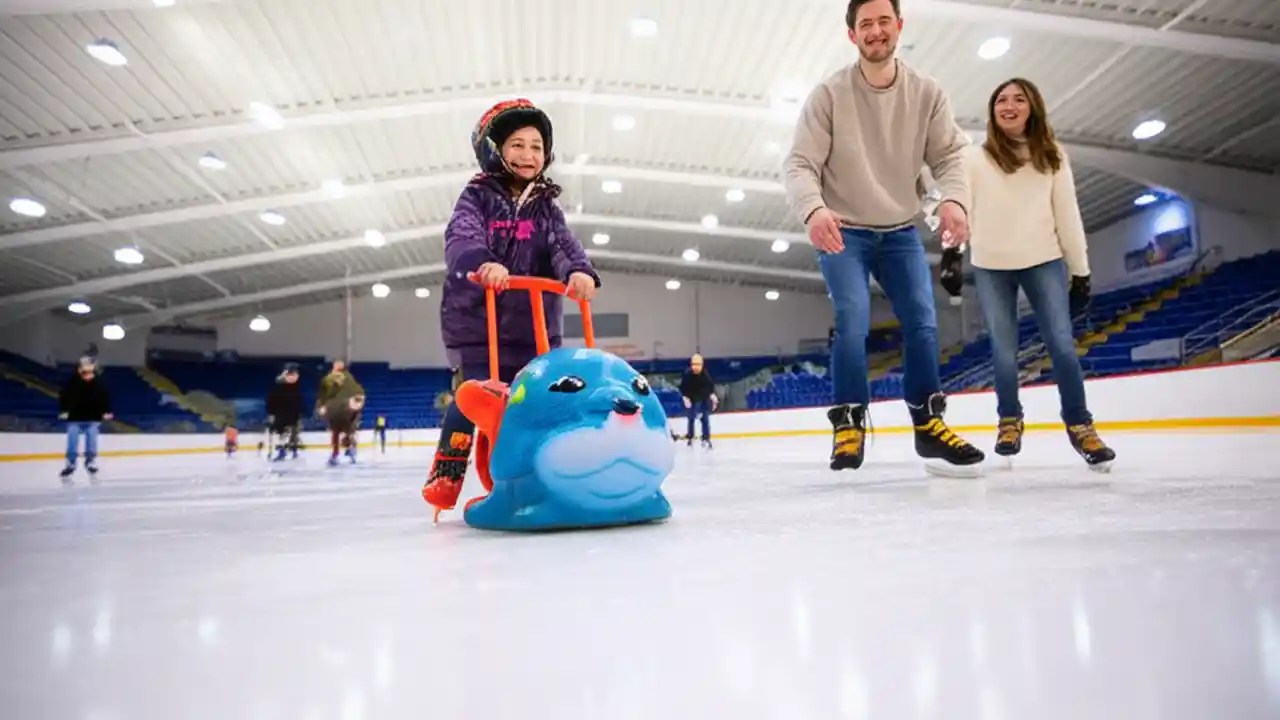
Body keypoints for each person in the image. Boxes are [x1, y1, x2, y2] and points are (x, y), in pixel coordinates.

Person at [783, 0, 984, 472]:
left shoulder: (926, 93)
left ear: (899, 26)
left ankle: (927, 425)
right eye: (865, 24)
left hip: (899, 229)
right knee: (852, 317)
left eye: (883, 22)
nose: (875, 31)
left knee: (923, 320)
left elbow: (952, 155)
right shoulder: (830, 95)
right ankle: (849, 424)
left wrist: (954, 199)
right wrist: (813, 209)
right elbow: (799, 164)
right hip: (843, 230)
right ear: (852, 34)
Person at [421, 98, 600, 514]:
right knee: (473, 396)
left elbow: (563, 246)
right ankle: (447, 471)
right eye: (517, 145)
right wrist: (482, 263)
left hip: (533, 327)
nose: (528, 155)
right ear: (494, 149)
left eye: (536, 146)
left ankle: (544, 471)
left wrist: (578, 271)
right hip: (478, 325)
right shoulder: (477, 197)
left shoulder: (546, 208)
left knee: (539, 401)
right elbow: (462, 237)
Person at [954, 77, 1115, 468]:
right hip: (992, 265)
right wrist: (951, 256)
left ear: (1033, 107)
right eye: (1001, 100)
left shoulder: (1052, 155)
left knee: (1062, 344)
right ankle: (1009, 420)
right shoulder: (975, 158)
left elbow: (1067, 215)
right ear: (993, 110)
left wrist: (1081, 271)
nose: (1009, 106)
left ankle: (1080, 425)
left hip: (1043, 259)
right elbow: (959, 209)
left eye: (1018, 99)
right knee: (1004, 351)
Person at [57, 356, 112, 484]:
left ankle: (90, 461)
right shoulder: (73, 382)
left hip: (93, 418)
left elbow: (104, 398)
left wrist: (106, 411)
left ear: (93, 367)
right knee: (72, 439)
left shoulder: (99, 383)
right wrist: (64, 410)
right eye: (84, 365)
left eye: (89, 365)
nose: (86, 367)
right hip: (75, 418)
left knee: (92, 438)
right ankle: (71, 463)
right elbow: (64, 396)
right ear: (80, 367)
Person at [315, 360, 365, 466]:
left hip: (347, 412)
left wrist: (356, 405)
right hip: (334, 411)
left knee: (349, 432)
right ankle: (335, 454)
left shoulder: (349, 380)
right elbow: (322, 395)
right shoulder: (328, 380)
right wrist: (321, 406)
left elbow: (358, 394)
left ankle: (351, 450)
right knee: (335, 433)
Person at [266, 362, 303, 461]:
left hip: (293, 413)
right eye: (290, 375)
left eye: (294, 375)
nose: (292, 377)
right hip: (281, 413)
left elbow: (298, 401)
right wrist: (271, 413)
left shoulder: (297, 387)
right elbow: (271, 400)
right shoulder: (278, 387)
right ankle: (282, 450)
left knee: (294, 432)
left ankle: (293, 449)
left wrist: (299, 412)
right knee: (281, 432)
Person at [678, 354, 717, 448]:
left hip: (703, 399)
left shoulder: (705, 375)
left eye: (698, 364)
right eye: (694, 364)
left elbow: (710, 387)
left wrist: (713, 397)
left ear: (702, 365)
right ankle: (690, 438)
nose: (695, 367)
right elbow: (682, 388)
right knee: (691, 418)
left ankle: (706, 438)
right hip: (692, 399)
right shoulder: (688, 375)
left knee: (705, 420)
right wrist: (685, 398)